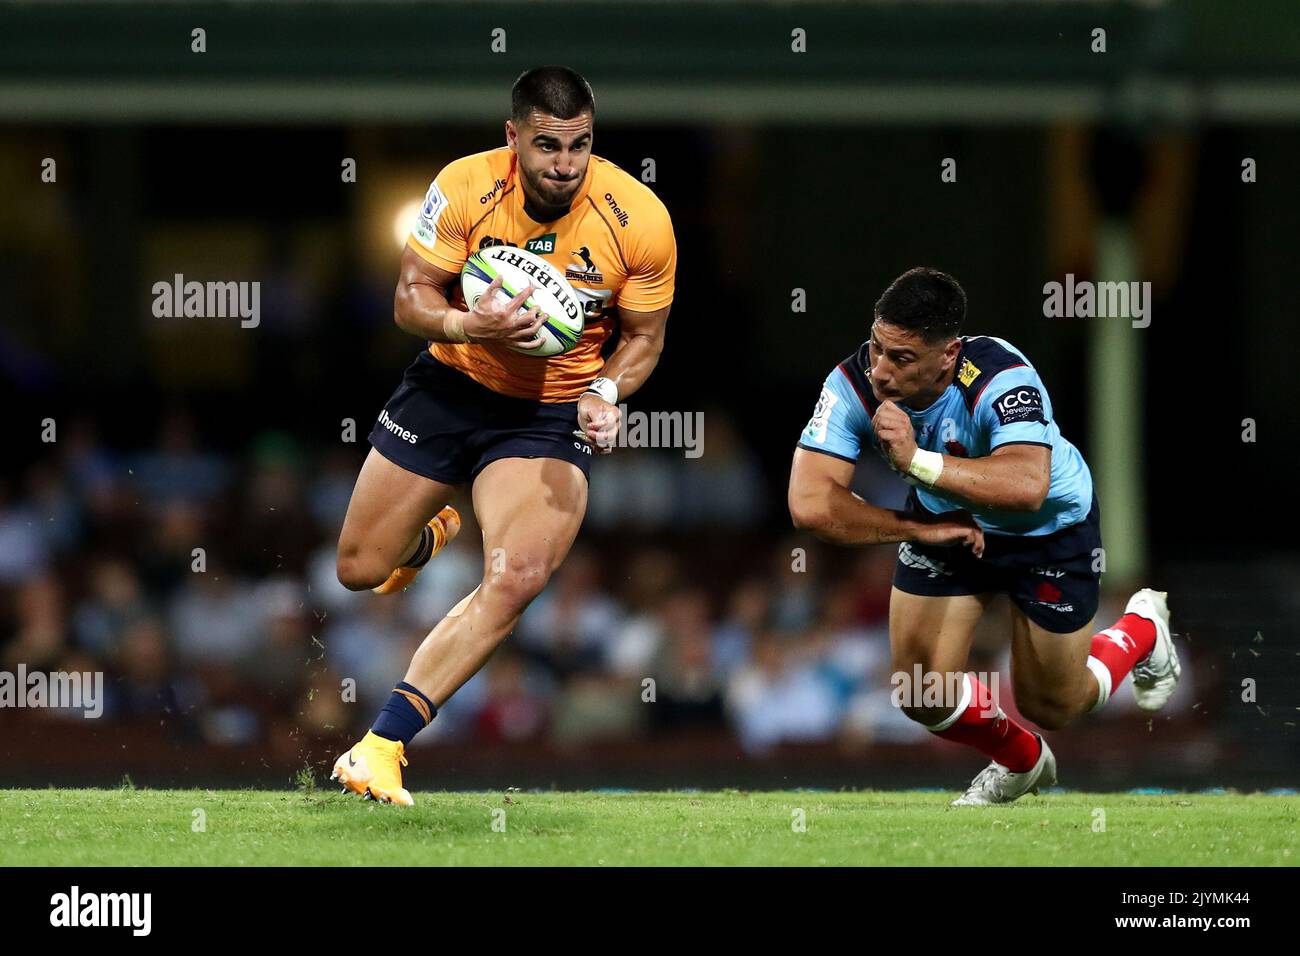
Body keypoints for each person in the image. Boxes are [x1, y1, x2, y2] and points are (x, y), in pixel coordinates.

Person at [331, 65, 676, 805]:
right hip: (451, 383)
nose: (565, 164)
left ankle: (380, 745)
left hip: (548, 415)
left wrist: (608, 390)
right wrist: (469, 323)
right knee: (360, 570)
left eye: (580, 146)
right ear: (512, 136)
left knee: (516, 579)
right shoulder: (462, 186)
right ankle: (423, 542)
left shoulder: (639, 218)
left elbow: (646, 337)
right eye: (548, 145)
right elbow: (408, 298)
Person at [787, 267, 1178, 805]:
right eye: (877, 347)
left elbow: (1027, 485)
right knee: (921, 693)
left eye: (901, 358)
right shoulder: (852, 382)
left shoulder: (1001, 375)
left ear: (948, 355)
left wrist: (917, 461)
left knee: (1055, 705)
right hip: (946, 530)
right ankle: (1021, 761)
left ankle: (1140, 631)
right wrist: (917, 527)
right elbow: (809, 505)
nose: (880, 370)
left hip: (1047, 534)